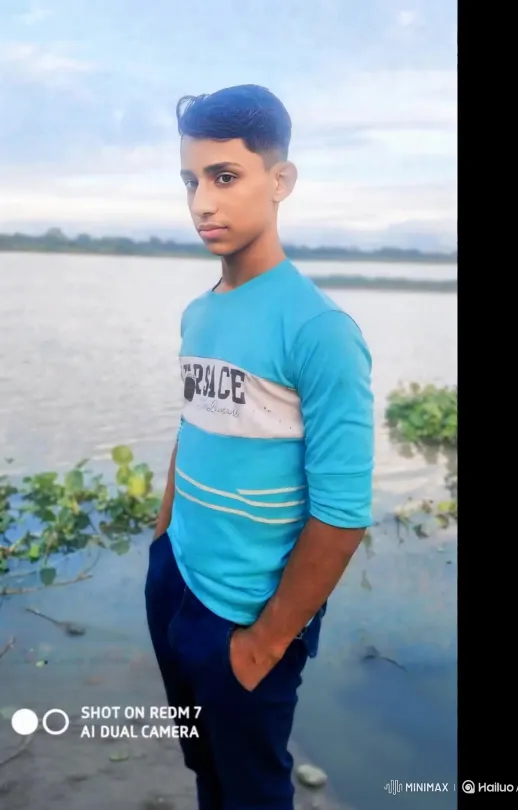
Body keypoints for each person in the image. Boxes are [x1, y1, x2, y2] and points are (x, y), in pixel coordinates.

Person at [145, 84, 374, 810]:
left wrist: (266, 642)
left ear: (280, 181)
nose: (202, 203)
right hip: (176, 582)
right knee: (207, 770)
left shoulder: (318, 329)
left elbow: (342, 513)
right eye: (191, 181)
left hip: (245, 616)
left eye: (225, 176)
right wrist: (162, 539)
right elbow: (194, 424)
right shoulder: (200, 312)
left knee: (253, 790)